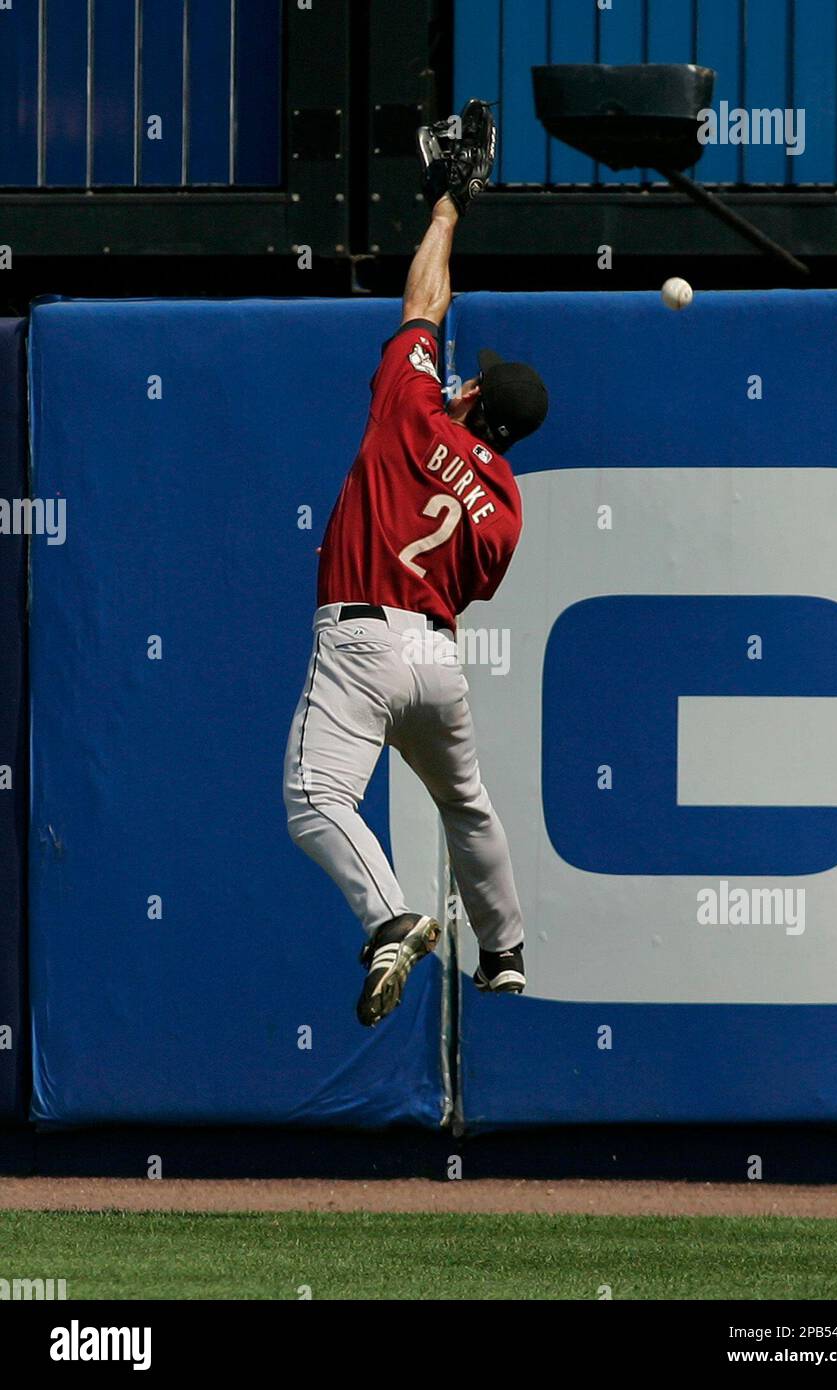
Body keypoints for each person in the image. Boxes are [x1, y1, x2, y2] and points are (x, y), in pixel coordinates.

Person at [283, 101, 549, 1027]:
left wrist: (445, 208)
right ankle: (507, 952)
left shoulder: (413, 406)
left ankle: (389, 915)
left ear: (472, 397)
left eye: (472, 378)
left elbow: (422, 304)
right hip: (437, 657)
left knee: (315, 800)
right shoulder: (508, 504)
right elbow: (466, 584)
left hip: (360, 641)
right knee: (467, 803)